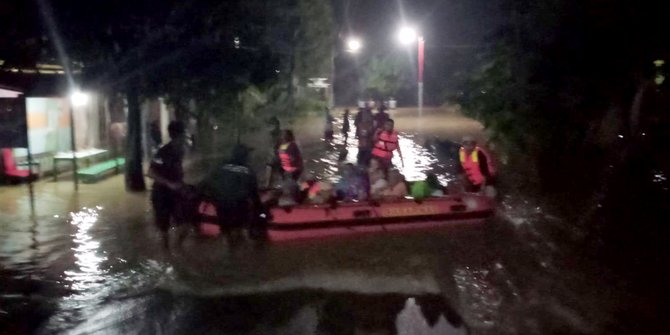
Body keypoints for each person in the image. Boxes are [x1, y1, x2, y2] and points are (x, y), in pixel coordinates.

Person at [198, 144, 264, 238]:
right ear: (245, 157)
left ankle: (227, 247)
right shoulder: (248, 171)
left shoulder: (219, 167)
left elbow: (204, 185)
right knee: (242, 232)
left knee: (226, 233)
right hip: (239, 207)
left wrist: (211, 200)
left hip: (222, 206)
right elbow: (254, 196)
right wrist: (261, 212)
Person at [147, 121, 187, 249]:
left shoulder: (180, 150)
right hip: (161, 195)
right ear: (179, 135)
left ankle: (177, 251)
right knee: (164, 230)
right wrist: (169, 184)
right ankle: (167, 255)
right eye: (183, 134)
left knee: (184, 225)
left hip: (176, 194)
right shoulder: (162, 152)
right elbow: (150, 172)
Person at [264, 117, 282, 187]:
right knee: (270, 171)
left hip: (279, 156)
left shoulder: (281, 134)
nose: (272, 127)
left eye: (273, 125)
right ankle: (268, 186)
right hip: (272, 156)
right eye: (271, 125)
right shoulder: (270, 134)